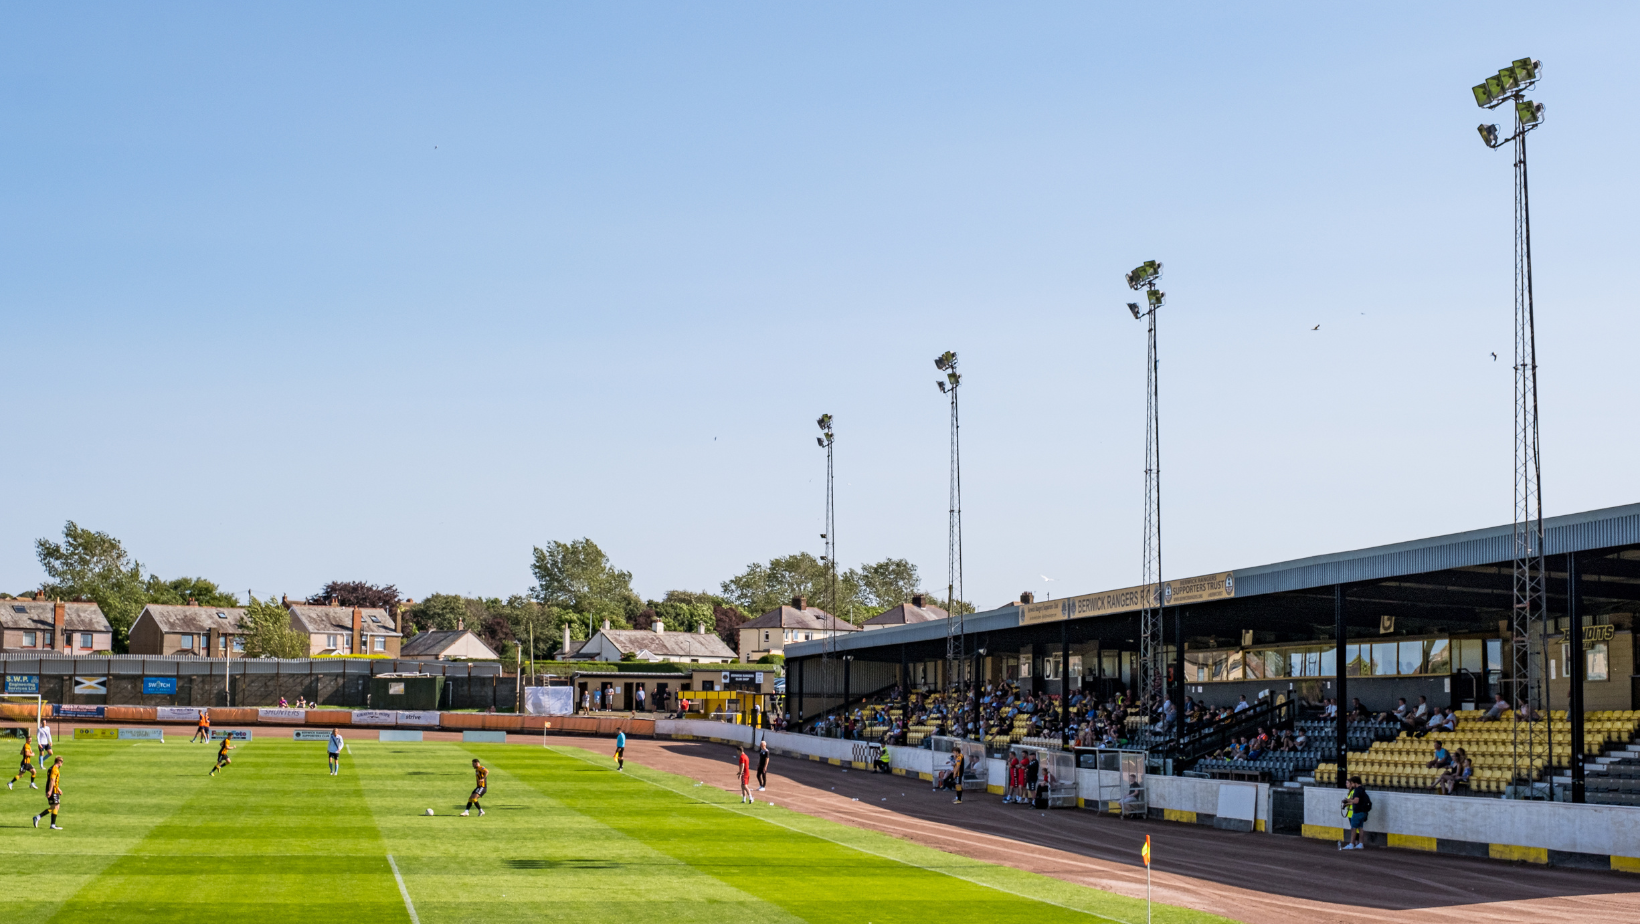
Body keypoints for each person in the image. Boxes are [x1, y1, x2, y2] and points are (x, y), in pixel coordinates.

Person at [32, 756, 63, 830]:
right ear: (59, 762)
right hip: (52, 790)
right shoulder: (55, 769)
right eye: (62, 762)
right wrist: (50, 791)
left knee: (55, 806)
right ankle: (48, 822)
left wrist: (58, 789)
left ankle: (49, 823)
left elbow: (52, 781)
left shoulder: (51, 768)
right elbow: (52, 780)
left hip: (54, 789)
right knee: (55, 806)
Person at [1340, 775, 1370, 850]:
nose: (1352, 785)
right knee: (1360, 828)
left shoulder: (1356, 790)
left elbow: (1356, 801)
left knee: (1353, 828)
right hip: (1363, 812)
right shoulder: (1362, 789)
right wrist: (1349, 801)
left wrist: (1349, 801)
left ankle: (1351, 844)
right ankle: (1360, 843)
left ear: (1355, 783)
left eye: (1352, 783)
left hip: (1357, 812)